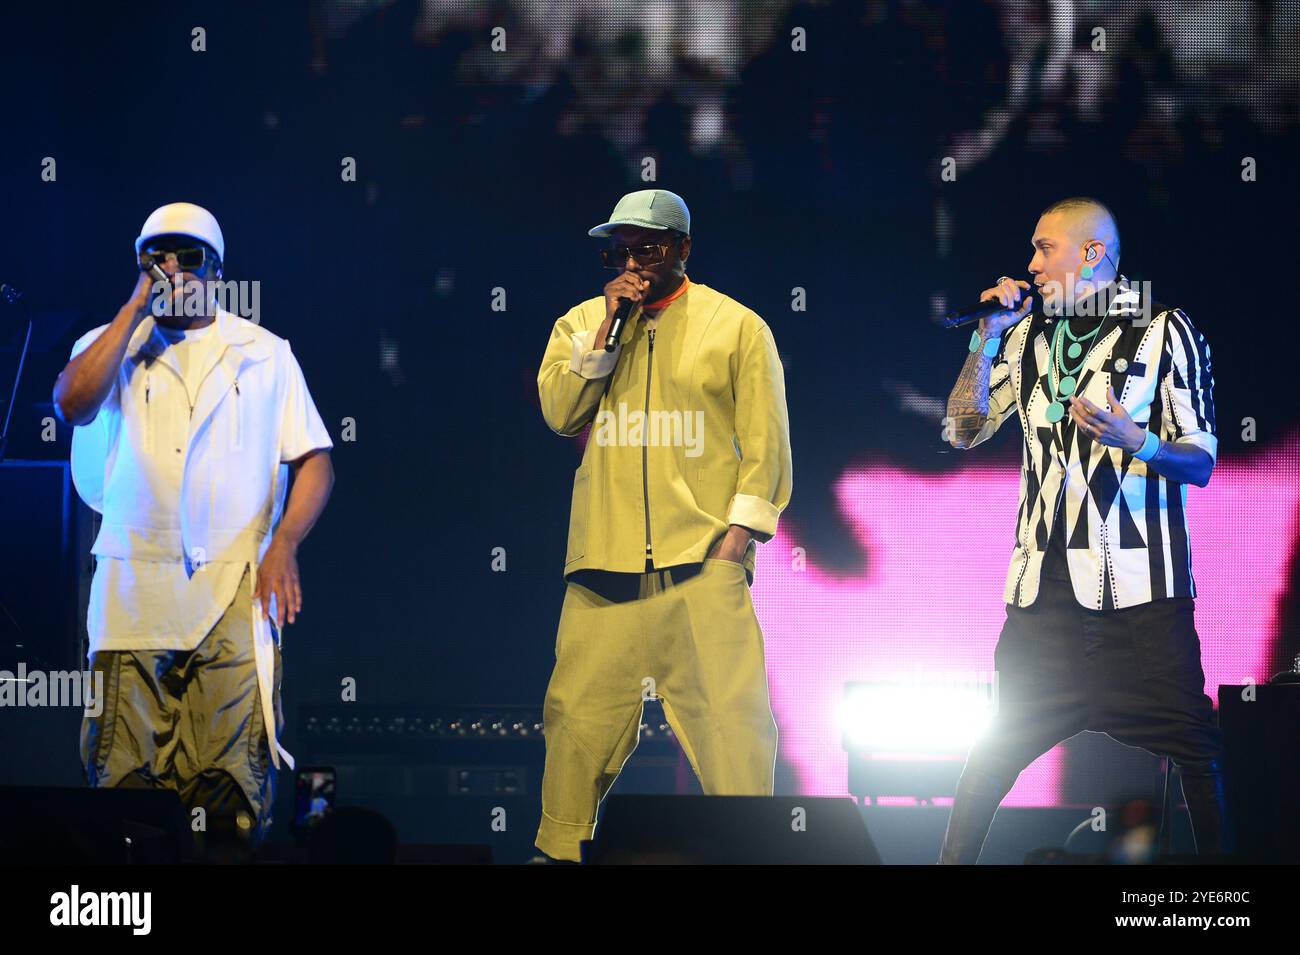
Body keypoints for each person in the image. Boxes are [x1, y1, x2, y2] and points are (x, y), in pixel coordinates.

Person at [940, 197, 1229, 862]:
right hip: (1044, 597)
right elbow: (962, 429)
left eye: (1046, 249)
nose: (1032, 263)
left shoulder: (1164, 329)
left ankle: (1226, 895)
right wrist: (987, 335)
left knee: (1195, 746)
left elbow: (1204, 460)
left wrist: (1140, 442)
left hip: (1141, 601)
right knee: (993, 751)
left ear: (1092, 254)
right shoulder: (1027, 336)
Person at [53, 202, 334, 846]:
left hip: (235, 586)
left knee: (230, 784)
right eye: (157, 256)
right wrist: (132, 312)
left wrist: (285, 542)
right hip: (134, 588)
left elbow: (316, 458)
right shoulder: (109, 345)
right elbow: (71, 402)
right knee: (125, 781)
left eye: (189, 256)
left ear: (218, 269)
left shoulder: (263, 353)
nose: (173, 269)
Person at [534, 189, 793, 861]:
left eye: (646, 248)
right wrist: (604, 334)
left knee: (736, 735)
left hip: (700, 569)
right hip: (601, 574)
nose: (632, 263)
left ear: (682, 248)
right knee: (573, 732)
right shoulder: (582, 321)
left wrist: (734, 543)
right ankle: (559, 855)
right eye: (618, 250)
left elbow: (767, 450)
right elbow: (562, 411)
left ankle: (755, 856)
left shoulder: (737, 326)